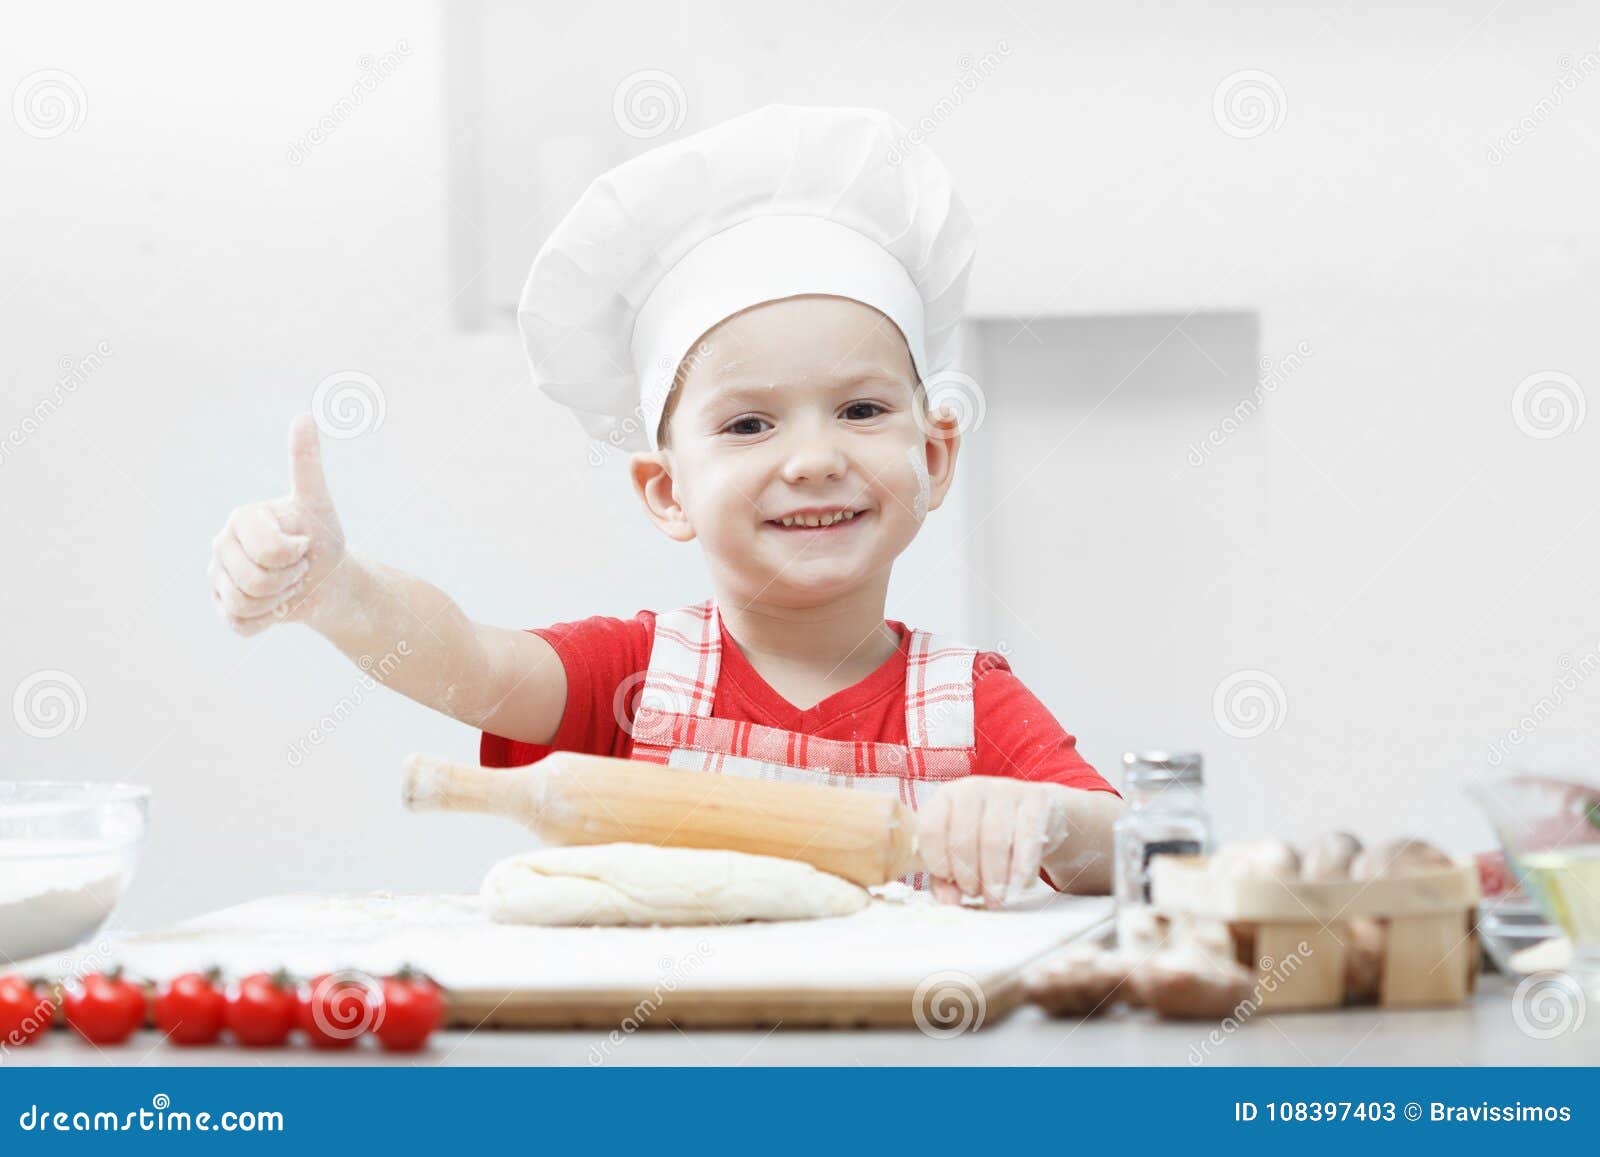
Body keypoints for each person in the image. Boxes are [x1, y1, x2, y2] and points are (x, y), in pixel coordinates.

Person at [207, 105, 1123, 905]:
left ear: (931, 454)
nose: (812, 458)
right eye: (750, 423)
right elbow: (468, 661)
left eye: (861, 409)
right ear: (667, 489)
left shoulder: (973, 708)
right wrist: (340, 595)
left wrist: (1041, 820)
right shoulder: (632, 680)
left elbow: (1138, 850)